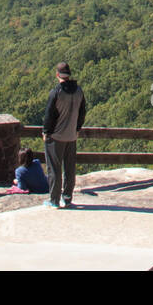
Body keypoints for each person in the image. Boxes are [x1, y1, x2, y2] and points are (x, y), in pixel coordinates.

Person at [42, 61, 86, 209]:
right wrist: (77, 129)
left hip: (56, 137)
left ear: (57, 75)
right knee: (70, 169)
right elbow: (82, 113)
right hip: (72, 135)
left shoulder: (56, 92)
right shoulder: (79, 91)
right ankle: (67, 198)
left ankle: (54, 200)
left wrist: (46, 132)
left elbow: (49, 115)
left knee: (54, 169)